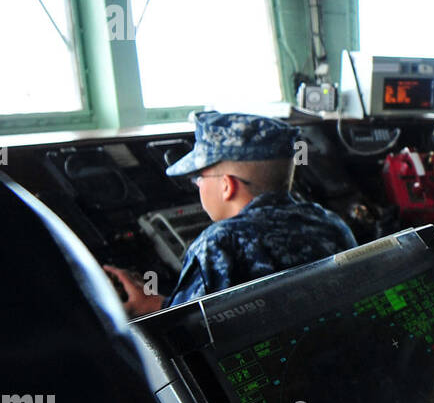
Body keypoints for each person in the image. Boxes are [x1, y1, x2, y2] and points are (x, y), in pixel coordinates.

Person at [106, 111, 356, 316]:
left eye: (199, 177)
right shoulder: (329, 222)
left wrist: (150, 306)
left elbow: (188, 329)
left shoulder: (220, 242)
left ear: (227, 186)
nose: (197, 184)